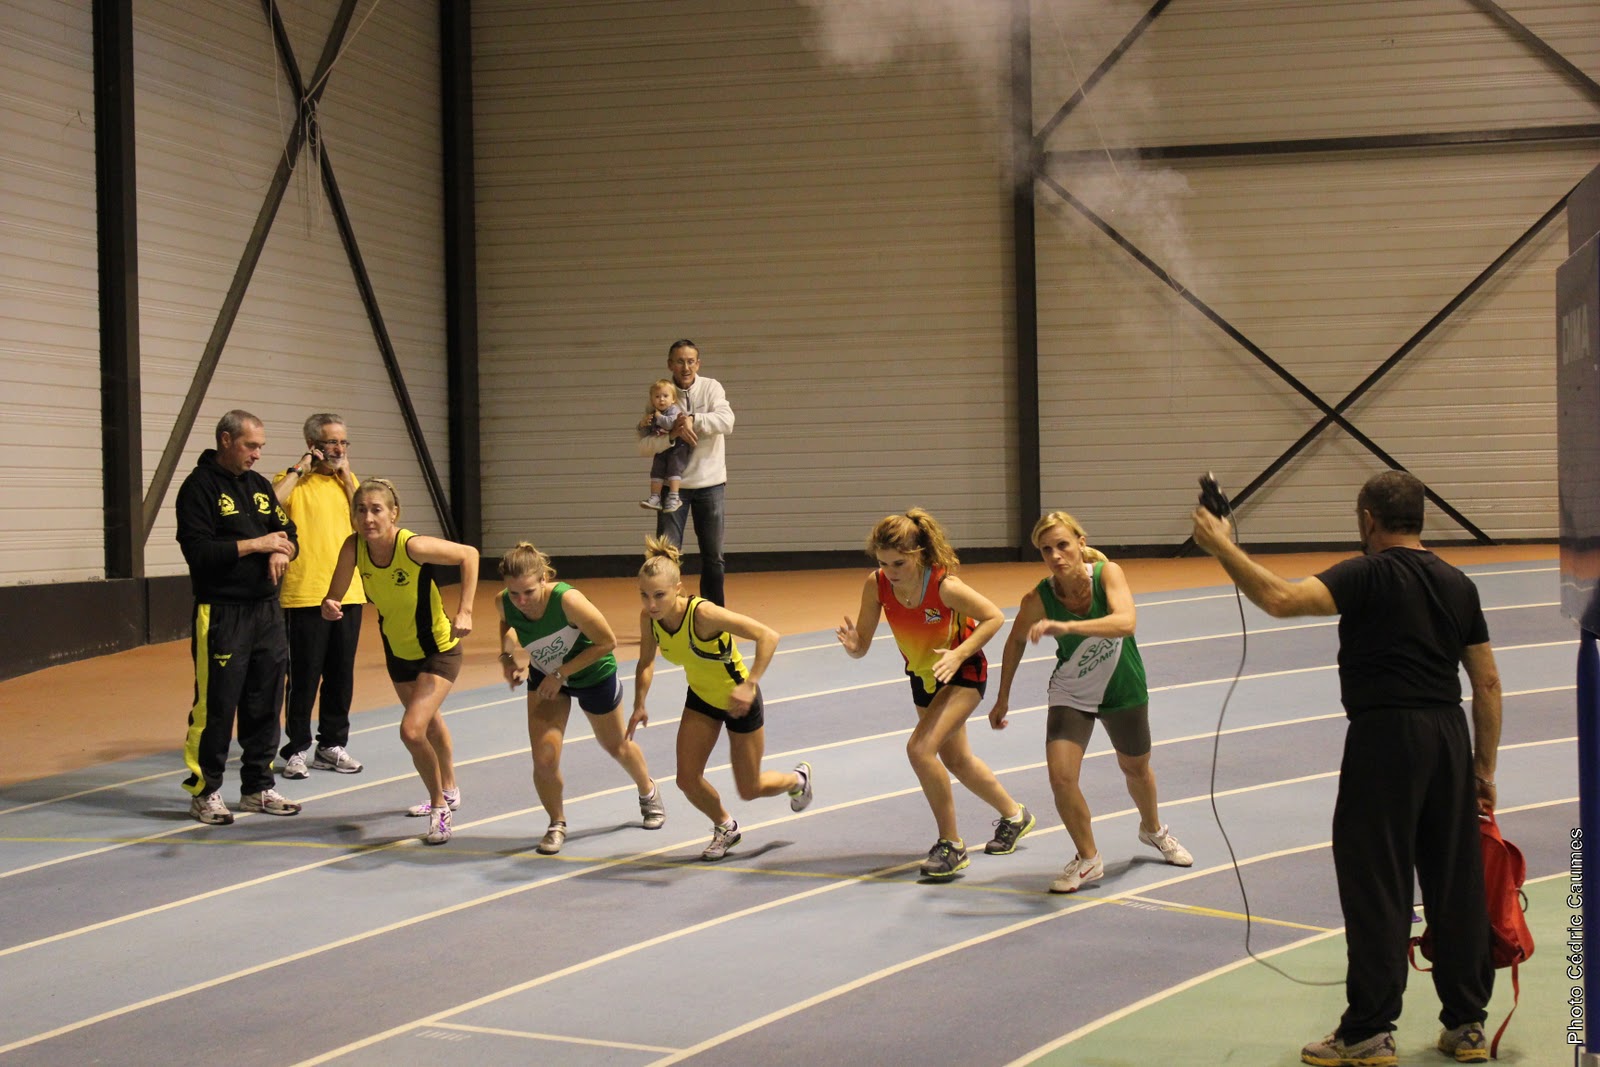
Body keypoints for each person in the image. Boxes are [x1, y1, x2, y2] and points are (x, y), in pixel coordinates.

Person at [1191, 470, 1502, 1067]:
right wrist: (1482, 773)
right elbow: (1486, 682)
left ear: (1367, 519)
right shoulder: (1458, 583)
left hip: (1384, 738)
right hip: (1448, 737)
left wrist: (1222, 546)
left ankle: (1370, 1031)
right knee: (1455, 882)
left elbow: (1281, 599)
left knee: (1377, 884)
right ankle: (1467, 1025)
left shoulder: (1365, 573)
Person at [988, 511, 1192, 894]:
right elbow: (1015, 640)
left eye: (1063, 545)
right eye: (1046, 550)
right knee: (1061, 778)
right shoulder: (1039, 598)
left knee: (1136, 769)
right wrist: (1002, 697)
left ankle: (1152, 830)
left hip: (1123, 687)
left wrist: (1068, 627)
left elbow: (1125, 622)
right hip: (1072, 692)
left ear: (1081, 543)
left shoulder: (1108, 574)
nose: (1055, 555)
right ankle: (1088, 858)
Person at [835, 508, 1033, 879]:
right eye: (883, 563)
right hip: (923, 677)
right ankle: (1015, 815)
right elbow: (862, 646)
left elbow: (994, 616)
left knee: (920, 749)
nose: (890, 571)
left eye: (899, 563)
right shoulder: (876, 585)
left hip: (961, 670)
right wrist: (853, 646)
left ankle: (951, 845)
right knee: (957, 759)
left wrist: (959, 653)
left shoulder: (944, 586)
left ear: (920, 554)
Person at [629, 536, 812, 861]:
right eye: (644, 595)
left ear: (677, 589)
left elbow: (768, 636)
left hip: (739, 701)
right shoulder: (650, 620)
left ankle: (797, 780)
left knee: (750, 788)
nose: (651, 604)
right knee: (687, 779)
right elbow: (645, 662)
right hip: (701, 698)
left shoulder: (704, 614)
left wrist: (750, 684)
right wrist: (639, 703)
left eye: (659, 595)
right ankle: (726, 827)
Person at [321, 479, 479, 846]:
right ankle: (450, 788)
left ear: (394, 514)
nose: (368, 518)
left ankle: (439, 807)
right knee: (429, 722)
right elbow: (334, 595)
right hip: (398, 650)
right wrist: (330, 605)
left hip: (438, 649)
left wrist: (466, 610)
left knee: (411, 730)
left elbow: (469, 554)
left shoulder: (412, 546)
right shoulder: (354, 547)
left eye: (376, 510)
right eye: (361, 510)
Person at [496, 541, 667, 854]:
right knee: (544, 759)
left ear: (544, 579)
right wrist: (507, 656)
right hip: (546, 678)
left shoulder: (568, 601)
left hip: (592, 674)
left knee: (616, 745)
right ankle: (556, 822)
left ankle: (648, 790)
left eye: (529, 592)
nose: (521, 601)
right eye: (514, 593)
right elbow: (508, 623)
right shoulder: (505, 602)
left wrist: (561, 673)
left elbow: (607, 642)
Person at [176, 409, 303, 824]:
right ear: (226, 440)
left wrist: (283, 551)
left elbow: (288, 534)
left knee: (265, 702)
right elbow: (199, 552)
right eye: (251, 445)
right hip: (222, 612)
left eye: (261, 447)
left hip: (266, 611)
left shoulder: (260, 486)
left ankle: (258, 787)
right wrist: (257, 545)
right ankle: (205, 791)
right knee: (216, 705)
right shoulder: (198, 488)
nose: (257, 454)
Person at [272, 413, 364, 780]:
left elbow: (366, 522)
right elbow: (269, 505)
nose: (339, 449)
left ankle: (331, 745)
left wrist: (348, 479)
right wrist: (300, 469)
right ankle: (296, 747)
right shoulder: (291, 481)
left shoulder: (349, 483)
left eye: (343, 442)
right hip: (305, 595)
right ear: (314, 445)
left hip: (348, 593)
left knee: (340, 675)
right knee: (304, 676)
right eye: (332, 442)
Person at [638, 340, 733, 605]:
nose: (686, 367)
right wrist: (671, 436)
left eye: (691, 361)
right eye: (680, 361)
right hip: (673, 490)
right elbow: (644, 446)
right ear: (670, 364)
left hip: (711, 485)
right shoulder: (661, 395)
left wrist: (693, 419)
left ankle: (714, 614)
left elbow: (727, 422)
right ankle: (666, 614)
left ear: (698, 364)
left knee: (714, 557)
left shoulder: (711, 388)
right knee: (665, 557)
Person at [637, 378, 689, 513]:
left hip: (676, 448)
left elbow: (670, 424)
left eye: (665, 396)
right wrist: (642, 425)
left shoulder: (674, 410)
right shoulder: (653, 413)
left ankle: (674, 497)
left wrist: (659, 417)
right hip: (661, 448)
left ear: (673, 399)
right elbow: (645, 434)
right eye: (657, 397)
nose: (661, 399)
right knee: (657, 471)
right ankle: (655, 497)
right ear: (652, 400)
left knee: (673, 469)